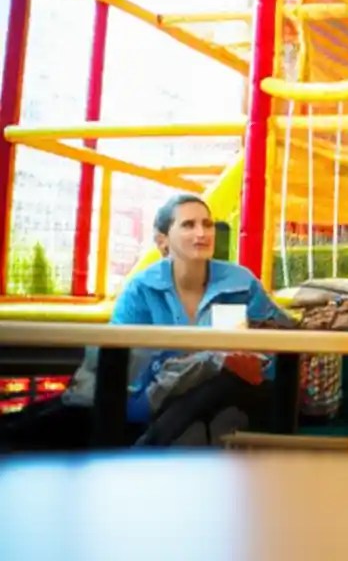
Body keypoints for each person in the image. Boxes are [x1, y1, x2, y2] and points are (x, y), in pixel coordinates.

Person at [1, 193, 292, 451]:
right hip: (142, 400)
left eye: (207, 224)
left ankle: (144, 450)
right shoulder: (142, 287)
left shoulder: (241, 282)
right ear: (162, 241)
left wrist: (260, 363)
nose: (202, 233)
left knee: (219, 384)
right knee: (35, 427)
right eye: (189, 225)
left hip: (215, 398)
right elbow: (116, 362)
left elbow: (283, 336)